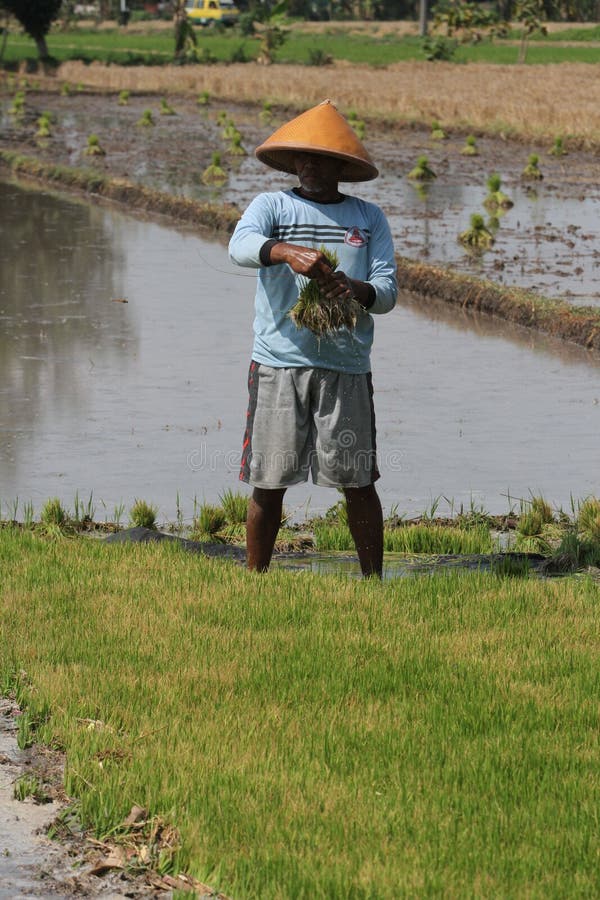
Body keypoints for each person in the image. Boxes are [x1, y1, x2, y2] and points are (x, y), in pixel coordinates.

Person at [228, 99, 397, 577]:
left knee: (358, 479)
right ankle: (255, 580)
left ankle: (373, 583)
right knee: (268, 480)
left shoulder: (368, 218)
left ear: (341, 165)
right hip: (279, 363)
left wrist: (353, 288)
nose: (309, 165)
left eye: (321, 157)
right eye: (302, 157)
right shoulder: (272, 206)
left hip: (345, 365)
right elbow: (239, 247)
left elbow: (386, 292)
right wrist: (284, 252)